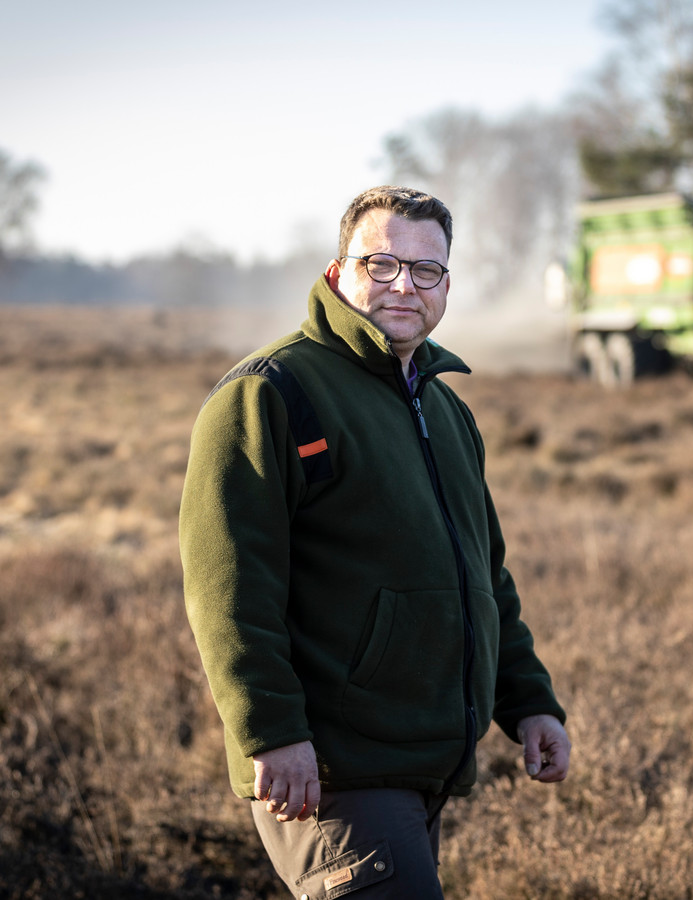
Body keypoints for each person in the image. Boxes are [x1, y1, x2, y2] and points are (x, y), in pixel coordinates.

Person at [180, 185, 571, 898]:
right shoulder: (272, 393)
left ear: (447, 286)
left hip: (419, 766)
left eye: (426, 271)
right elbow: (228, 587)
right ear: (338, 272)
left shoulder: (445, 409)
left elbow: (484, 576)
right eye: (380, 264)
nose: (404, 286)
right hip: (332, 771)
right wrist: (270, 732)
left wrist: (529, 700)